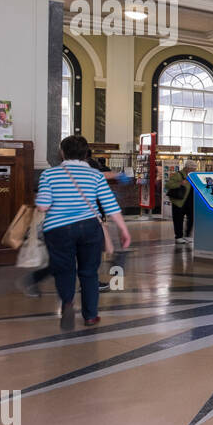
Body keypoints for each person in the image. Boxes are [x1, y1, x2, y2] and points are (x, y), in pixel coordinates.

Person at [36, 135, 131, 330]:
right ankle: (90, 316)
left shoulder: (49, 175)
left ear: (62, 153)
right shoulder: (95, 175)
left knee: (65, 270)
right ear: (86, 154)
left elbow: (43, 206)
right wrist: (123, 229)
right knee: (89, 272)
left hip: (58, 229)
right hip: (89, 228)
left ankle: (68, 303)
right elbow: (110, 205)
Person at [164, 160, 195, 244]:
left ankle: (188, 235)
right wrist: (180, 183)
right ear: (187, 168)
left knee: (191, 218)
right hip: (179, 201)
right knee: (178, 219)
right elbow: (168, 185)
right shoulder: (178, 175)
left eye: (194, 169)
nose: (193, 170)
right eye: (192, 168)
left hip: (190, 201)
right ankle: (179, 236)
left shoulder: (194, 176)